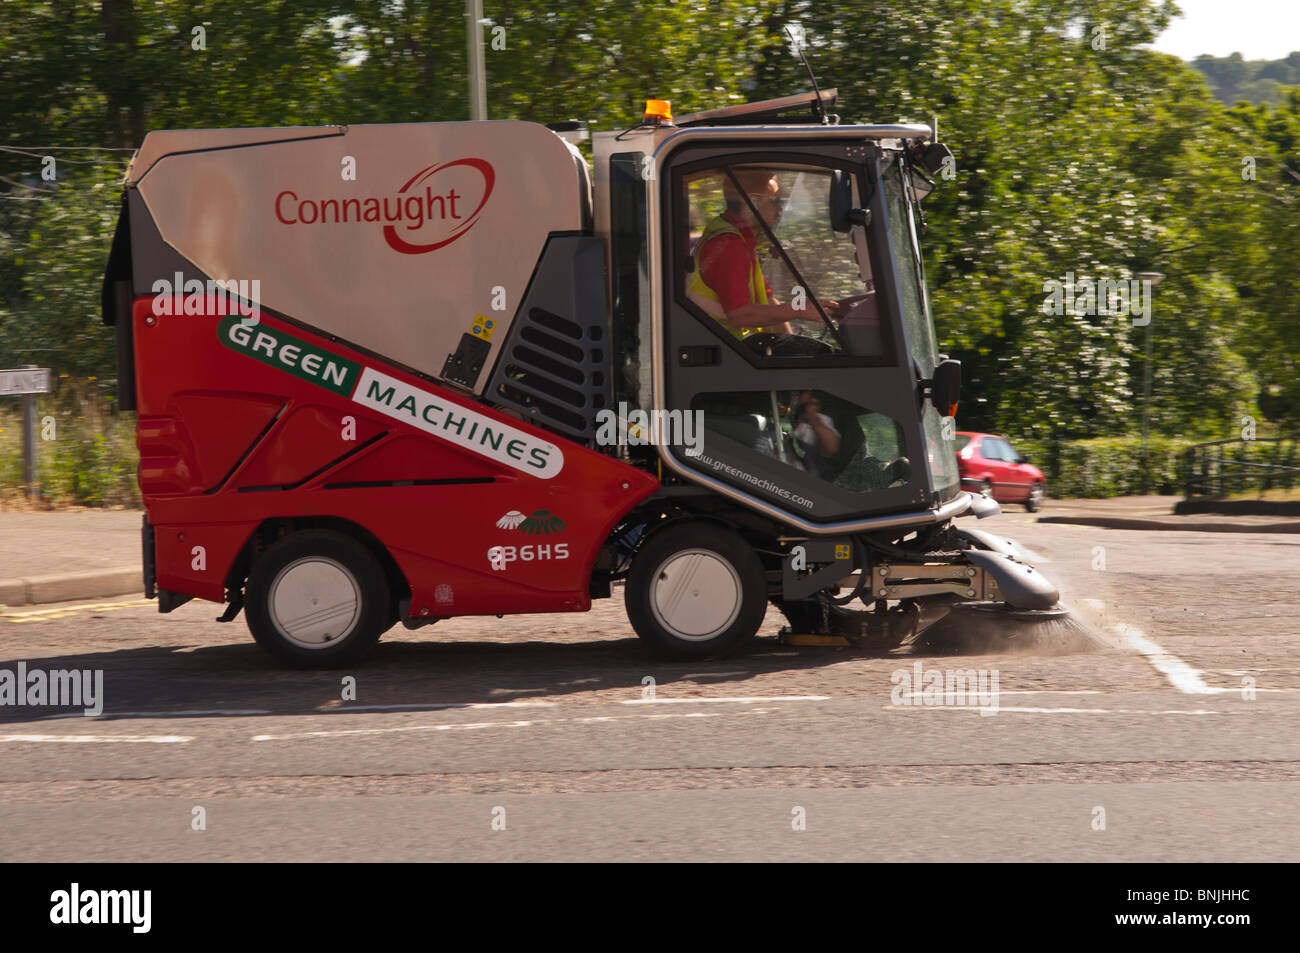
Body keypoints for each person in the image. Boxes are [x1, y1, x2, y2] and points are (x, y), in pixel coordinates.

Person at [686, 169, 835, 338]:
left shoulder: (741, 239)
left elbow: (769, 301)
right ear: (752, 202)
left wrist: (791, 344)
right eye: (775, 201)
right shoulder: (729, 243)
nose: (779, 209)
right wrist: (798, 310)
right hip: (726, 350)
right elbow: (739, 314)